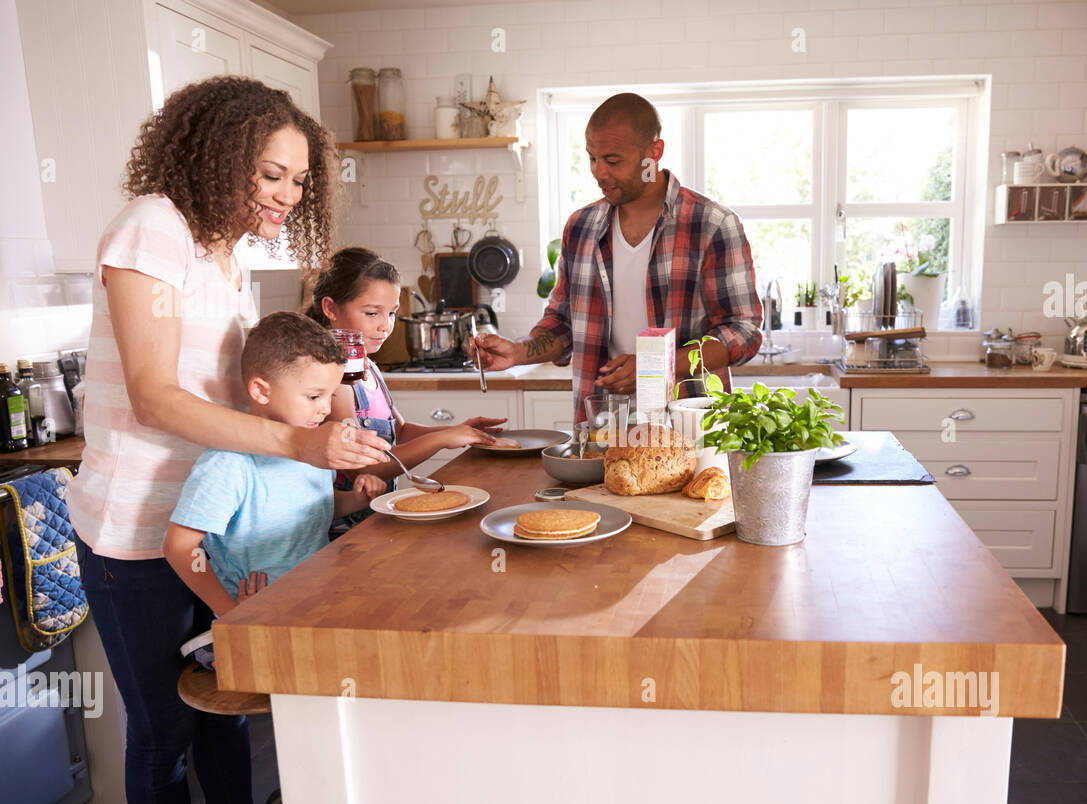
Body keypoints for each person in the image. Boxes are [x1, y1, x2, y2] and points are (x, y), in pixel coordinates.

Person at [68, 76, 390, 804]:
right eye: (271, 174)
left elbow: (249, 390)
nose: (287, 195)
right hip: (136, 535)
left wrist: (332, 422)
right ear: (217, 156)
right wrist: (297, 446)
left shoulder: (225, 255)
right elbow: (152, 397)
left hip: (214, 522)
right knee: (164, 734)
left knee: (226, 713)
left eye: (299, 181)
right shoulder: (152, 230)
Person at [472, 92, 763, 424]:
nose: (599, 173)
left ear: (654, 153)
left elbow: (744, 331)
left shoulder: (711, 224)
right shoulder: (581, 227)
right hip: (604, 427)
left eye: (613, 161)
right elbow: (563, 323)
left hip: (690, 427)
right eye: (592, 158)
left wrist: (657, 365)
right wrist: (518, 351)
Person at [162, 313, 385, 621]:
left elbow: (312, 508)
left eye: (330, 395)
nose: (326, 408)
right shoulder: (228, 465)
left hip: (317, 602)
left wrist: (356, 499)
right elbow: (179, 547)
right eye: (313, 396)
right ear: (261, 391)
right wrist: (230, 611)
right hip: (259, 619)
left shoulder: (313, 449)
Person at [305, 247, 508, 533]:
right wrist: (442, 439)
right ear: (330, 308)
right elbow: (365, 471)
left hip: (374, 517)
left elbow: (398, 431)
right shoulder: (335, 382)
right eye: (372, 313)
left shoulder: (369, 367)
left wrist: (454, 430)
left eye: (391, 313)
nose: (385, 326)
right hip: (343, 530)